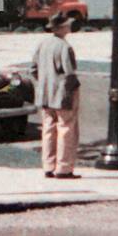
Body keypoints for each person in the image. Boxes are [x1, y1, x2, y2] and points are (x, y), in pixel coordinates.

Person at [30, 11, 80, 178]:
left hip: (45, 93)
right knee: (66, 127)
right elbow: (70, 73)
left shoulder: (42, 44)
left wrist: (42, 84)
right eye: (67, 24)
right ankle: (64, 167)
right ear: (61, 28)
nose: (69, 27)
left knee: (48, 128)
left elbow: (33, 69)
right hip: (62, 93)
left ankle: (48, 165)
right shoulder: (64, 47)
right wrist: (70, 91)